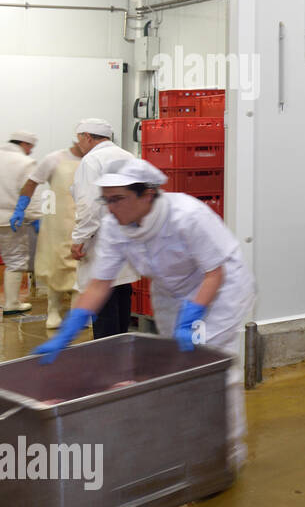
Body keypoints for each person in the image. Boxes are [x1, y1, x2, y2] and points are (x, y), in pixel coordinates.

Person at [34, 158, 254, 473]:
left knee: (213, 365)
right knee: (178, 368)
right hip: (170, 291)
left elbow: (214, 273)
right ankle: (190, 439)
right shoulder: (114, 225)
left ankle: (228, 452)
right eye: (106, 199)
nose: (110, 208)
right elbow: (99, 284)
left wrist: (192, 317)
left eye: (118, 199)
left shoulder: (187, 215)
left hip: (220, 292)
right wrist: (67, 332)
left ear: (147, 194)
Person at [69, 118, 138, 337]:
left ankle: (107, 362)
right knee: (122, 295)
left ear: (87, 137)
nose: (79, 145)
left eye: (79, 140)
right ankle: (123, 355)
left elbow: (89, 205)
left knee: (103, 305)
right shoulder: (129, 156)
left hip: (102, 242)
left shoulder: (92, 161)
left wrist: (79, 239)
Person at [12, 140, 82, 328]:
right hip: (58, 220)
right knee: (56, 265)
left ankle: (78, 312)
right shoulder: (54, 159)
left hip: (83, 218)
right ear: (81, 137)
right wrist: (22, 207)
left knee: (81, 265)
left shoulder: (94, 159)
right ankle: (53, 310)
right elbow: (32, 182)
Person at [0, 130, 41, 314]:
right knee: (15, 261)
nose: (31, 151)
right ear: (25, 144)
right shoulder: (25, 163)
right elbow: (30, 192)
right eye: (30, 147)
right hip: (11, 220)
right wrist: (35, 217)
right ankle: (11, 304)